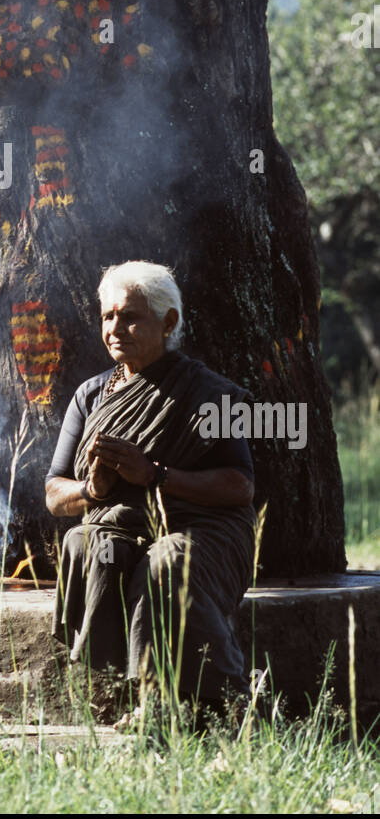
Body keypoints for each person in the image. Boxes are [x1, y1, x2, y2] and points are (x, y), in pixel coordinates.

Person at [46, 261, 257, 701]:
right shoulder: (90, 395)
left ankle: (212, 698)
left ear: (168, 322)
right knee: (91, 546)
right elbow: (53, 493)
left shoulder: (207, 393)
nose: (115, 328)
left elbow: (240, 485)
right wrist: (92, 491)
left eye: (130, 317)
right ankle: (107, 691)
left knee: (166, 561)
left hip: (202, 527)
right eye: (108, 316)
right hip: (118, 522)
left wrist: (155, 475)